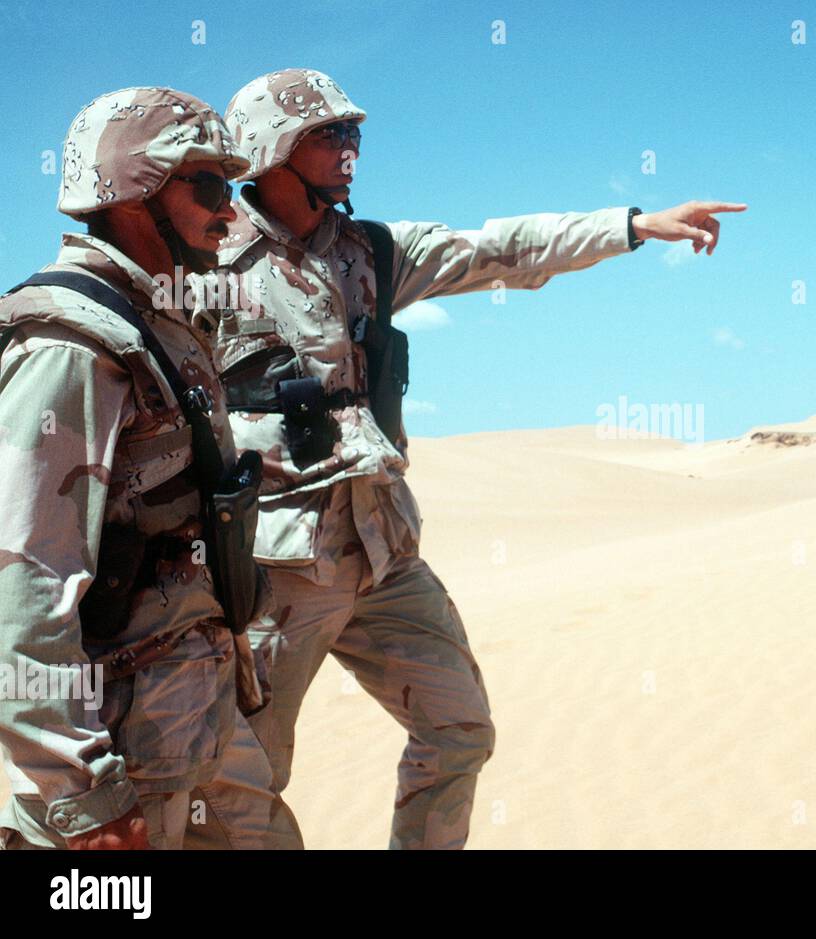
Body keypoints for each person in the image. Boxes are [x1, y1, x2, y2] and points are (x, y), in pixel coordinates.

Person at [188, 68, 745, 849]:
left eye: (355, 132)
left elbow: (500, 248)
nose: (352, 147)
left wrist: (633, 225)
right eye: (330, 133)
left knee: (460, 729)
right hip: (277, 568)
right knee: (244, 780)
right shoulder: (202, 264)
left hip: (385, 553)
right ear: (273, 148)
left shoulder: (374, 252)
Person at [0, 87, 269, 849]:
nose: (230, 212)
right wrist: (82, 795)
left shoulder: (160, 323)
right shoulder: (71, 344)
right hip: (119, 743)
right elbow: (21, 585)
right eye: (209, 186)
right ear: (131, 194)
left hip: (197, 717)